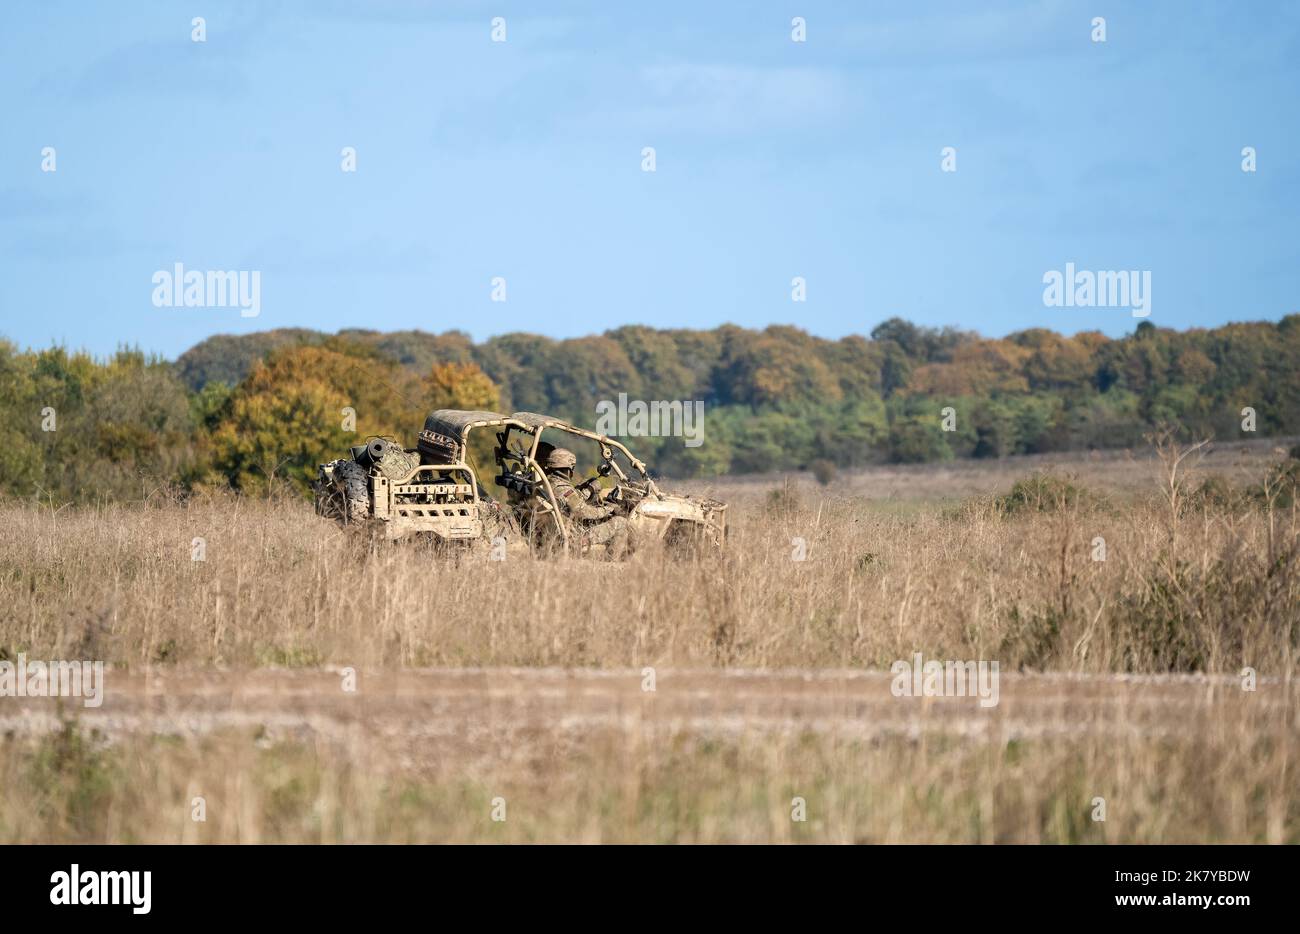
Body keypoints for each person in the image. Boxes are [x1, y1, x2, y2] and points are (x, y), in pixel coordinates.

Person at [540, 447, 632, 558]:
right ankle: (611, 561)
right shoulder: (562, 488)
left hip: (564, 529)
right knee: (620, 522)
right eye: (572, 467)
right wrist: (610, 508)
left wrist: (588, 489)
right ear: (567, 469)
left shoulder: (550, 483)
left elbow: (571, 501)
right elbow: (583, 512)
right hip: (575, 536)